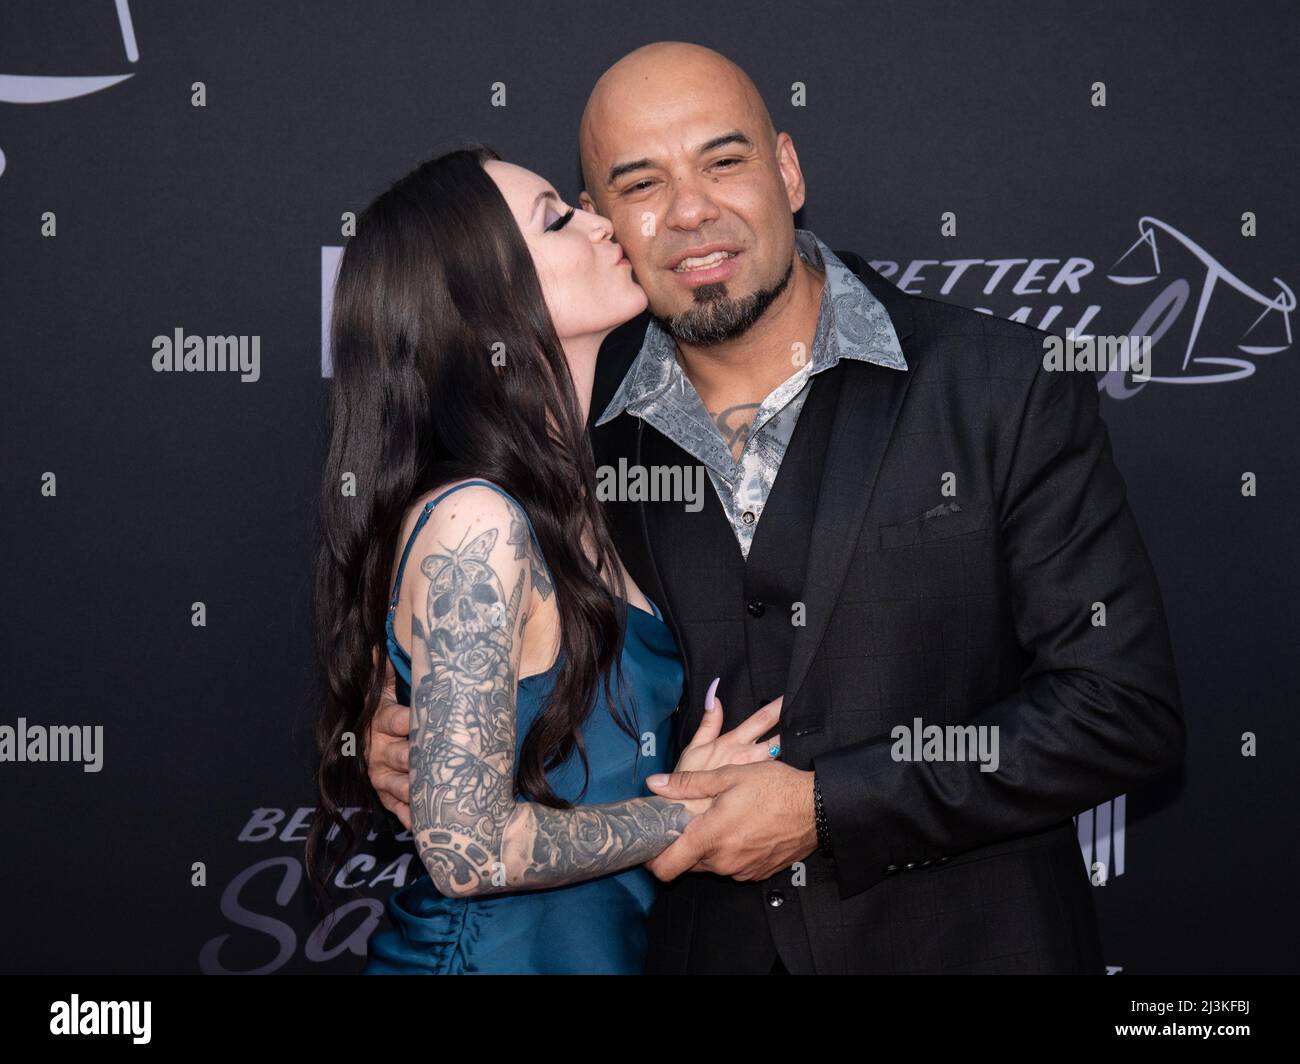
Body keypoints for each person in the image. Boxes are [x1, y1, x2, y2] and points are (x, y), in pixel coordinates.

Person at [367, 41, 1186, 974]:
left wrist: (827, 807)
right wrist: (412, 743)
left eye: (724, 161)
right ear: (601, 224)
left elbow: (1121, 709)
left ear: (788, 170)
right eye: (641, 185)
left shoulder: (993, 382)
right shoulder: (567, 439)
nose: (689, 211)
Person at [304, 143, 783, 975]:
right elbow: (467, 849)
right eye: (559, 219)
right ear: (484, 302)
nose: (603, 224)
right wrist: (691, 813)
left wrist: (675, 788)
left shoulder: (580, 498)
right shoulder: (475, 521)